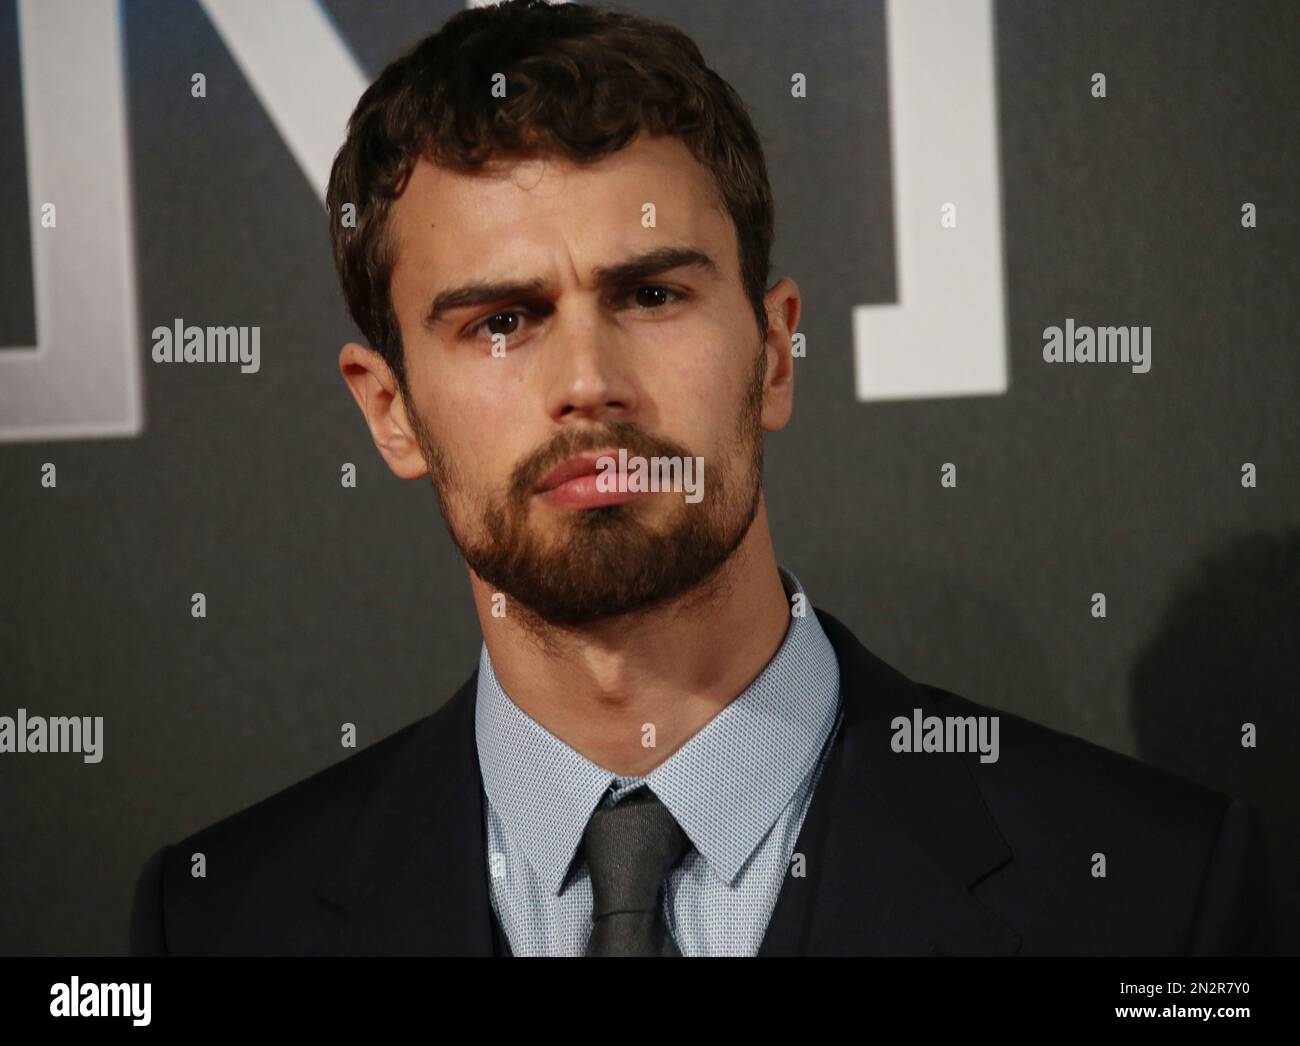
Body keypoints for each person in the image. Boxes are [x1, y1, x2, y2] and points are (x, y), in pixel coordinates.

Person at [130, 0, 1272, 957]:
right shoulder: (221, 917)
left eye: (651, 295)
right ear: (390, 410)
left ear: (774, 352)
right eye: (501, 321)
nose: (588, 381)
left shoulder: (1148, 896)